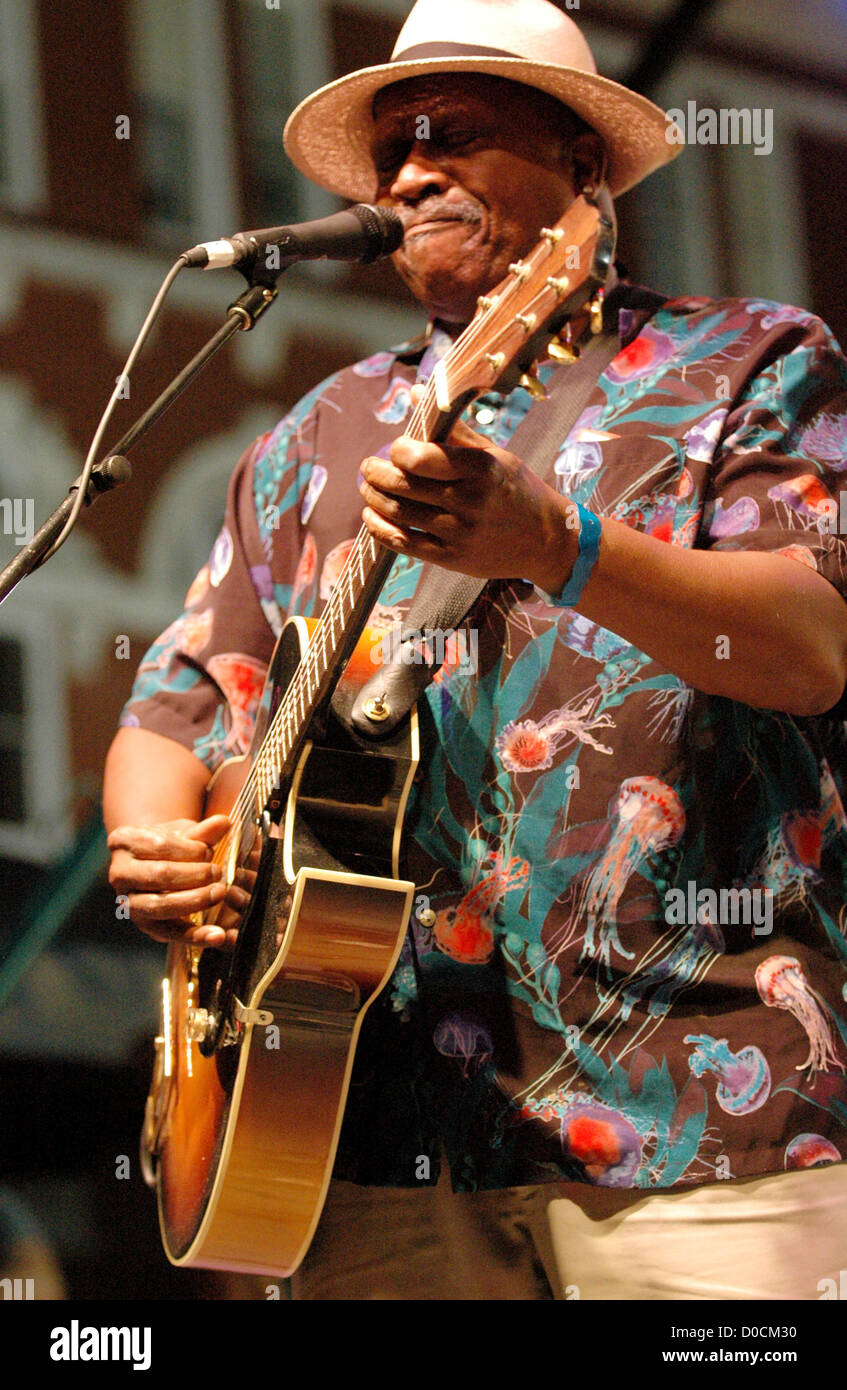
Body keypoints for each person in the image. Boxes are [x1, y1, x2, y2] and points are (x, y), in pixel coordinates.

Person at [104, 0, 847, 1300]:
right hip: (377, 1139)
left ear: (583, 167)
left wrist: (559, 544)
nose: (407, 176)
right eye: (391, 151)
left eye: (454, 132)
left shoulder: (747, 364)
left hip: (701, 1110)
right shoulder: (323, 433)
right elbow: (174, 711)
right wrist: (159, 846)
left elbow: (810, 644)